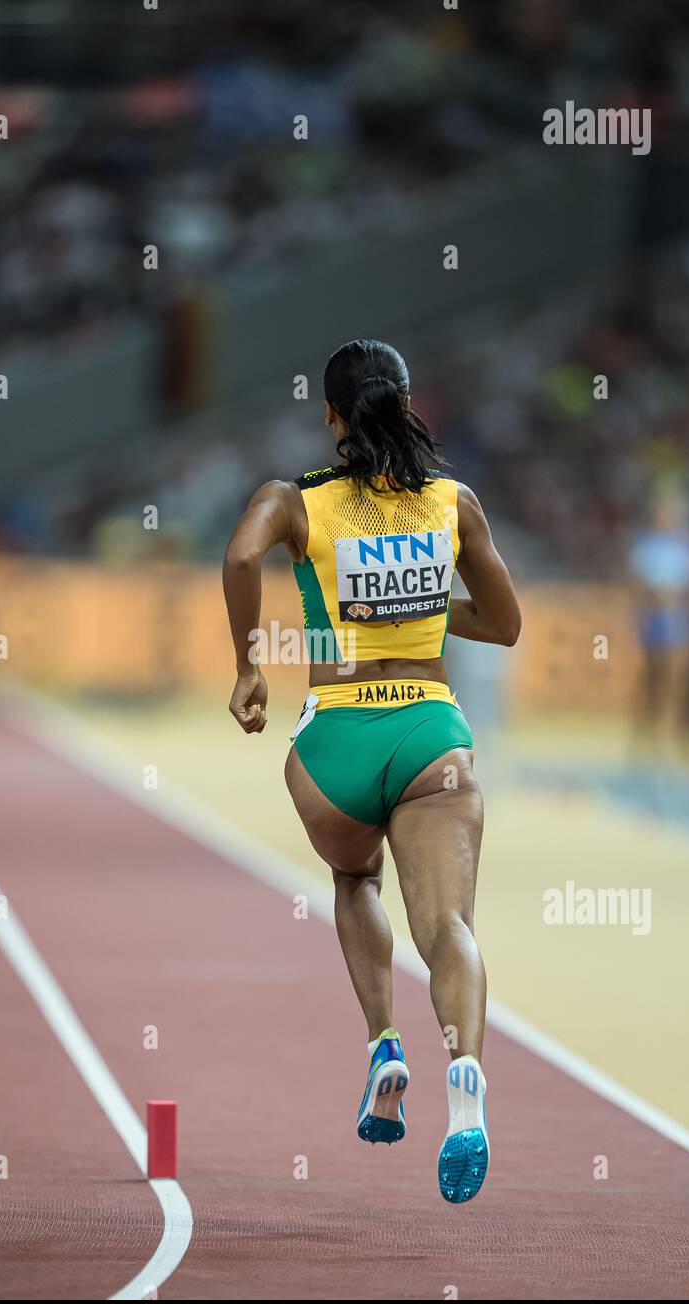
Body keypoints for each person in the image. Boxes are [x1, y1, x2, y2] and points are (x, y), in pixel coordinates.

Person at [222, 339, 521, 1202]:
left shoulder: (293, 501)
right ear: (406, 402)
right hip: (432, 734)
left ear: (331, 415)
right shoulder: (452, 503)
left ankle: (384, 1045)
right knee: (450, 930)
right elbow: (503, 624)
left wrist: (247, 665)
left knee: (356, 881)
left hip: (335, 744)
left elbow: (242, 556)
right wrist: (421, 606)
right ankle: (465, 1077)